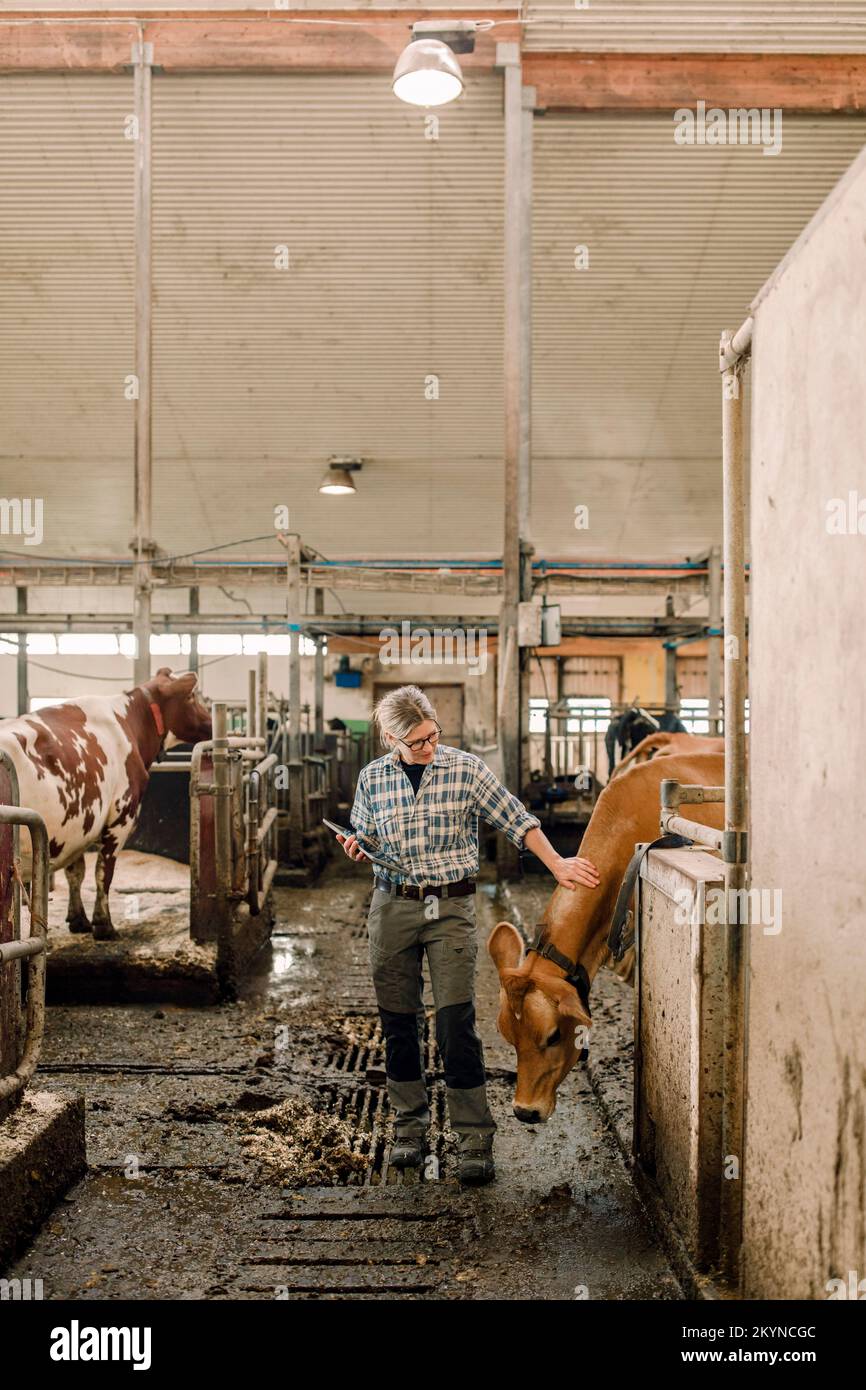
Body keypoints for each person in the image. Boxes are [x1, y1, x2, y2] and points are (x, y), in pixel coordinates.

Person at [338, 683, 600, 1185]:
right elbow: (364, 832)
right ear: (391, 737)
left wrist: (557, 864)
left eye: (433, 735)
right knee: (398, 1023)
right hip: (391, 904)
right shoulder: (372, 778)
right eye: (417, 742)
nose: (429, 747)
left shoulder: (465, 769)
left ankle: (474, 1137)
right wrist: (357, 846)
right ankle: (408, 1129)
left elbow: (517, 819)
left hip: (450, 906)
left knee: (456, 1022)